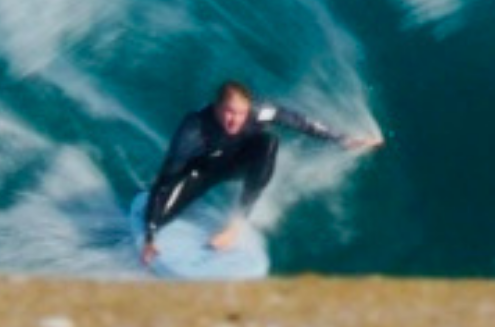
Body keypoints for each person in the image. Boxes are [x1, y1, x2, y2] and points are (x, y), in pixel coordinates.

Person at [139, 79, 382, 263]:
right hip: (201, 171)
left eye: (240, 113)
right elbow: (166, 179)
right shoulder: (193, 130)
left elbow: (301, 122)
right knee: (156, 221)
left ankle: (235, 224)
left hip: (236, 163)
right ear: (216, 107)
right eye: (228, 112)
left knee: (269, 142)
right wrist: (150, 236)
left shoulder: (259, 112)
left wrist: (343, 140)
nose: (234, 120)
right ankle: (151, 235)